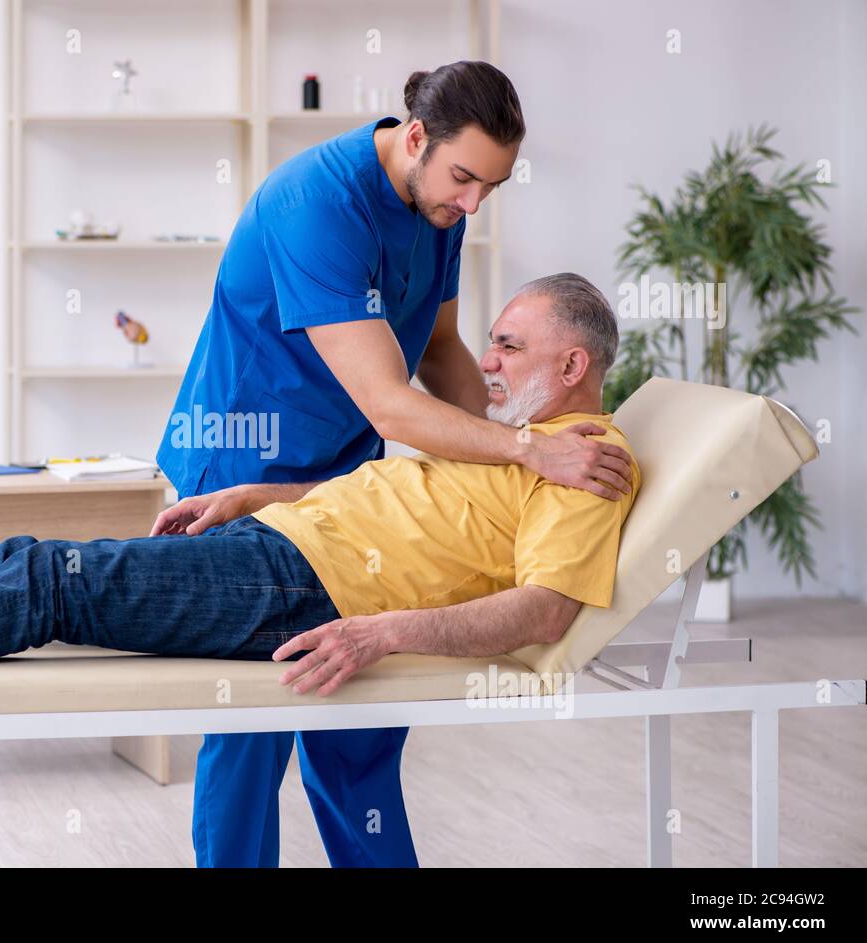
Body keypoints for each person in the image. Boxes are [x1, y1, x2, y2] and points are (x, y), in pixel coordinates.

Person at [0, 276, 640, 807]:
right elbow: (376, 490)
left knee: (44, 576)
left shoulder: (584, 461)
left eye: (509, 346)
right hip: (279, 544)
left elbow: (545, 609)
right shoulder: (507, 443)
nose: (486, 360)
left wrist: (381, 632)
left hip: (301, 590)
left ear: (572, 363)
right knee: (38, 568)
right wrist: (247, 495)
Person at [151, 61, 632, 867]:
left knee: (362, 725)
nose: (474, 203)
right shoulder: (315, 204)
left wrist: (507, 466)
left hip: (347, 469)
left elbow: (440, 349)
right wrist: (525, 447)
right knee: (254, 726)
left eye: (493, 186)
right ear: (415, 138)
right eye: (465, 178)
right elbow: (390, 403)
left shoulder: (441, 202)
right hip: (243, 452)